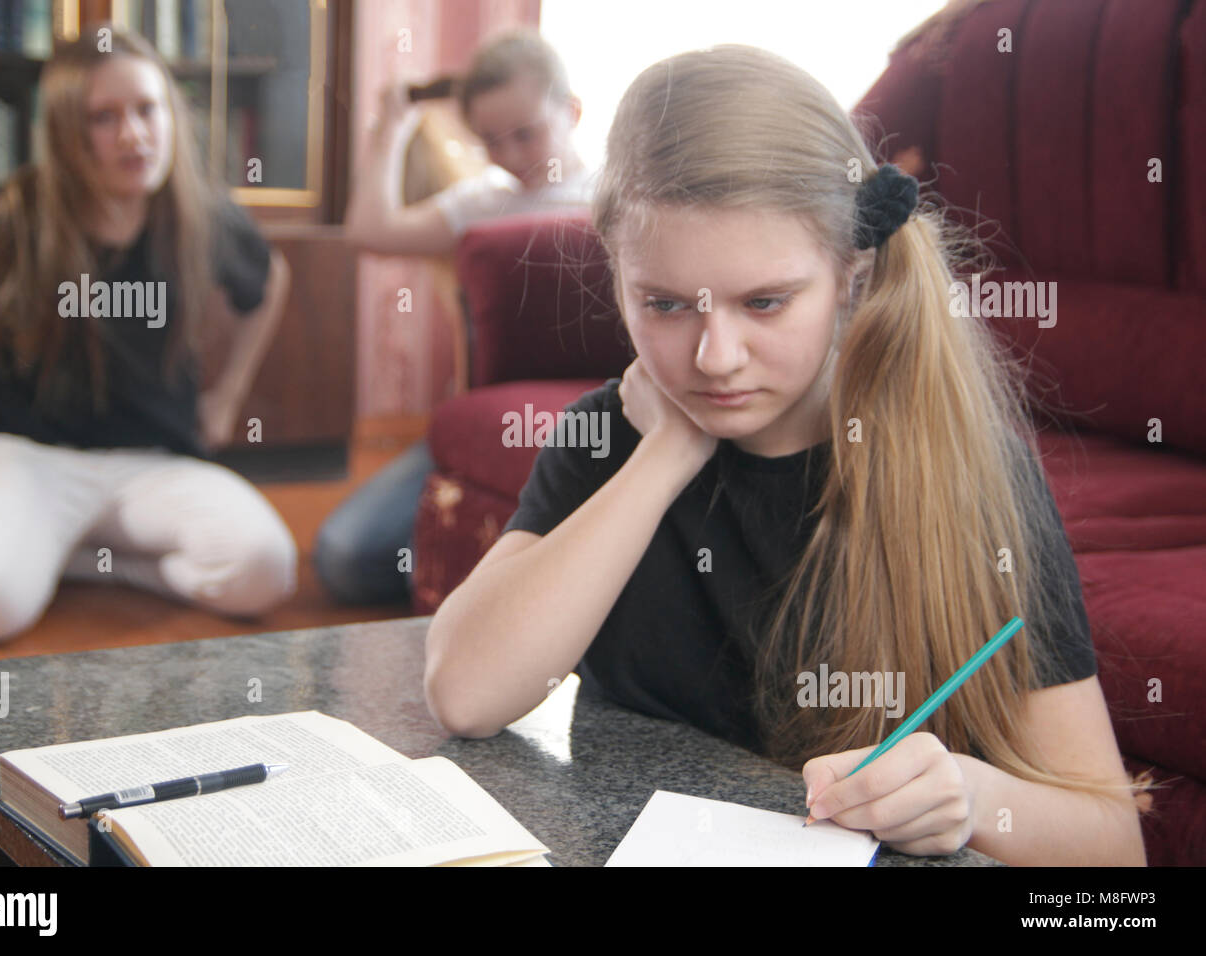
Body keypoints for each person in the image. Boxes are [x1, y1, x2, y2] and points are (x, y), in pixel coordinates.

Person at [424, 45, 1150, 865]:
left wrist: (972, 797)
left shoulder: (972, 474)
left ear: (850, 273)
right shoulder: (614, 440)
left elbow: (1113, 851)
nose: (715, 358)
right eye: (664, 304)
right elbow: (466, 692)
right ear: (614, 275)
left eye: (765, 302)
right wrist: (667, 455)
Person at [0, 27, 296, 645]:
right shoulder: (9, 218)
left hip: (154, 464)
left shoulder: (200, 215)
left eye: (148, 109)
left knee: (263, 571)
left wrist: (227, 395)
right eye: (103, 118)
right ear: (66, 132)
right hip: (33, 458)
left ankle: (67, 559)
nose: (135, 135)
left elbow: (270, 276)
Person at [314, 28, 593, 605]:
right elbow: (370, 231)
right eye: (491, 140)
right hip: (484, 426)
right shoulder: (482, 203)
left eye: (527, 133)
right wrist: (391, 130)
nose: (512, 155)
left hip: (586, 426)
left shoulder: (619, 199)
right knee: (345, 556)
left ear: (571, 111)